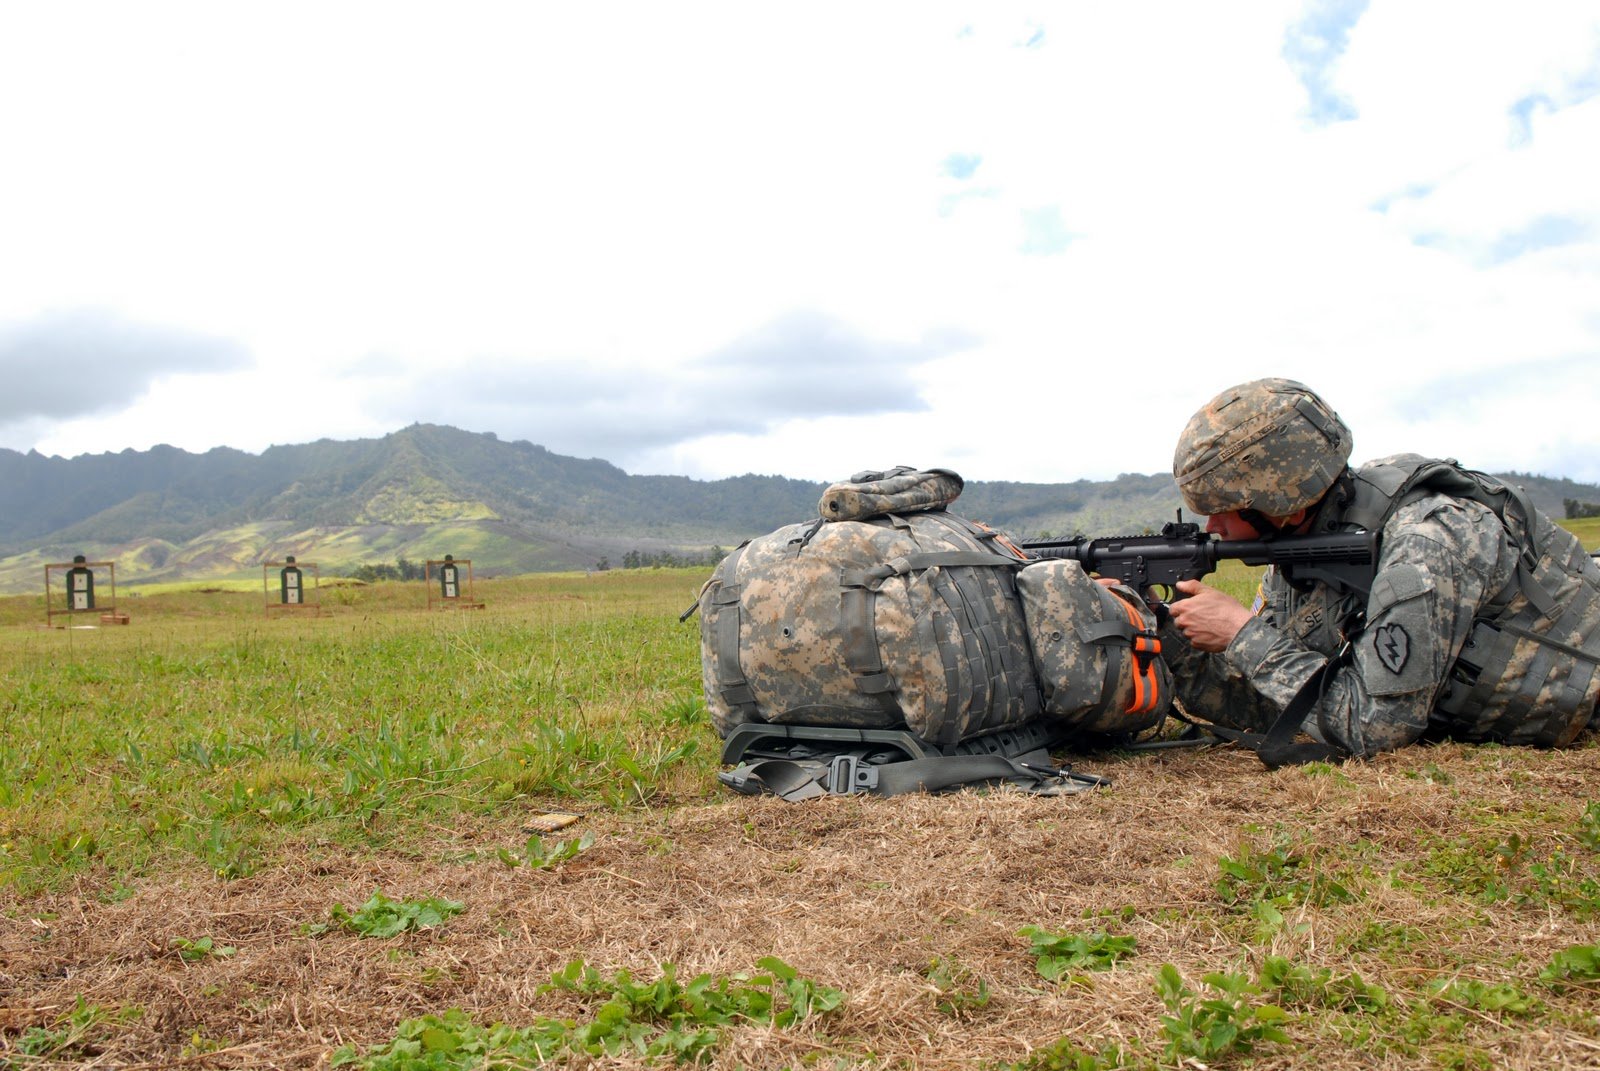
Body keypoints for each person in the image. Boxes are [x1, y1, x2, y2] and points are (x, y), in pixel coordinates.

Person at [1161, 377, 1600, 760]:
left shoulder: (1425, 542)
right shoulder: (1299, 557)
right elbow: (1283, 698)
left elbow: (1375, 725)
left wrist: (1242, 634)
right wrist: (1164, 635)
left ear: (1281, 503)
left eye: (1223, 509)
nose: (1212, 527)